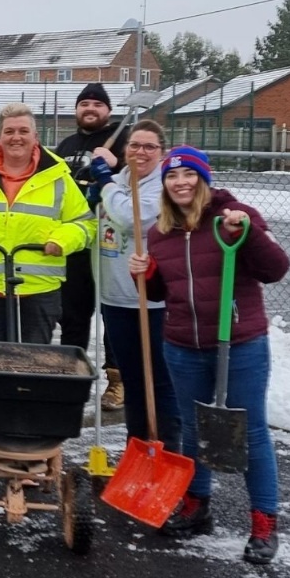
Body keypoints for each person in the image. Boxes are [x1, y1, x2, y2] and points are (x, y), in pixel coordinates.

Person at [128, 146, 290, 564]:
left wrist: (249, 232)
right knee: (194, 428)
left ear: (203, 178)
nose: (180, 182)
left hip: (240, 343)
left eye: (188, 174)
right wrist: (146, 276)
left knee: (250, 432)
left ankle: (263, 521)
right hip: (182, 343)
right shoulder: (161, 232)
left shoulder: (234, 216)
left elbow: (276, 269)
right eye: (171, 175)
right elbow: (164, 293)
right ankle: (197, 505)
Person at [0, 103, 94, 344]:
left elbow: (85, 225)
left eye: (23, 131)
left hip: (38, 292)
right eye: (9, 131)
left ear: (35, 137)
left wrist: (62, 240)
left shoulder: (57, 176)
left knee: (30, 369)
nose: (16, 137)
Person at [86, 120, 182, 453]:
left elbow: (130, 218)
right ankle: (137, 447)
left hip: (151, 301)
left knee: (159, 379)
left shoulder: (162, 185)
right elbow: (99, 221)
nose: (140, 152)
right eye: (134, 145)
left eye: (149, 147)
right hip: (114, 296)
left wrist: (104, 181)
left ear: (162, 152)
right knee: (132, 378)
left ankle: (167, 447)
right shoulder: (122, 180)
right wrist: (93, 198)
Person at [55, 82, 126, 406]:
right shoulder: (66, 144)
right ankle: (73, 376)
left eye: (98, 104)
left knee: (113, 313)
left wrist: (117, 165)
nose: (91, 109)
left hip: (113, 242)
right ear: (77, 110)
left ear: (108, 112)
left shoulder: (123, 143)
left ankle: (116, 382)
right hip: (75, 241)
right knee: (73, 314)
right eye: (85, 104)